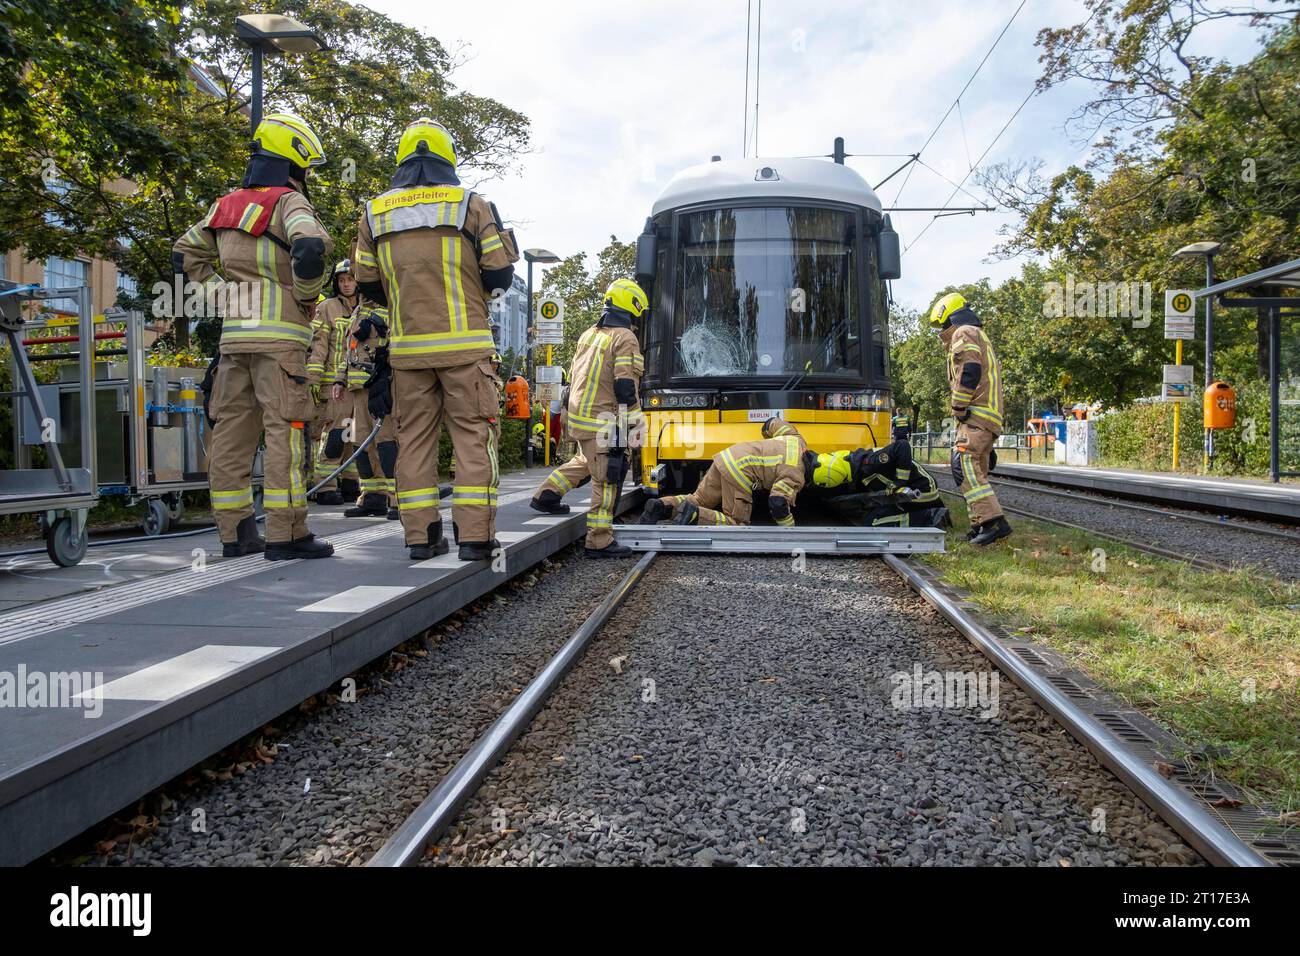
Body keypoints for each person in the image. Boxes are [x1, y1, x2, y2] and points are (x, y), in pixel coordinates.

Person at [352, 118, 518, 560]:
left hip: (408, 353)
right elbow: (500, 274)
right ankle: (475, 539)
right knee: (472, 438)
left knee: (414, 442)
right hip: (466, 349)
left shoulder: (375, 212)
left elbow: (365, 283)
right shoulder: (471, 205)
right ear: (448, 158)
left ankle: (420, 538)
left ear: (402, 160)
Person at [174, 112, 334, 560]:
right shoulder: (288, 202)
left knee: (231, 434)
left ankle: (236, 533)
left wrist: (223, 295)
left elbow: (183, 254)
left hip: (233, 340)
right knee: (284, 431)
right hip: (280, 342)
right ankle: (286, 536)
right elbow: (309, 248)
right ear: (294, 159)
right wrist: (304, 297)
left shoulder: (224, 205)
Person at [533, 279, 647, 557]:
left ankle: (546, 496)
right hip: (603, 421)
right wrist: (635, 424)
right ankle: (599, 540)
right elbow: (625, 388)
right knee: (608, 478)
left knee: (586, 460)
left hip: (580, 418)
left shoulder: (589, 334)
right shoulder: (625, 337)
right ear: (632, 307)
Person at [929, 292, 1011, 545]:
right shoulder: (977, 334)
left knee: (963, 465)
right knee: (976, 469)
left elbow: (970, 370)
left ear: (949, 317)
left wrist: (959, 406)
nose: (941, 330)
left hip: (977, 413)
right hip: (988, 415)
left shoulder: (963, 333)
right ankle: (980, 524)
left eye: (941, 325)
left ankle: (993, 522)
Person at [641, 420, 828, 527]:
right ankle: (695, 515)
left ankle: (661, 506)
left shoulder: (797, 439)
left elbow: (771, 424)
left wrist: (769, 444)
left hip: (726, 456)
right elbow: (777, 502)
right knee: (736, 524)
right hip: (740, 471)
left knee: (699, 498)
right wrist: (791, 531)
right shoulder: (796, 474)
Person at [332, 302, 399, 519]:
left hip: (380, 387)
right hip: (357, 388)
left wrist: (388, 377)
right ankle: (372, 496)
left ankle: (398, 499)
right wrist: (340, 380)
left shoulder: (391, 305)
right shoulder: (357, 311)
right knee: (361, 444)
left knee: (386, 443)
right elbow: (348, 351)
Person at [306, 260, 358, 505]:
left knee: (353, 434)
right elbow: (318, 345)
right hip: (332, 383)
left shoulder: (367, 307)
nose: (346, 284)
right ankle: (325, 486)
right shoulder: (326, 308)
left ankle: (349, 482)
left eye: (350, 279)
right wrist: (313, 378)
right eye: (341, 280)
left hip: (358, 383)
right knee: (335, 434)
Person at [843, 440, 949, 528]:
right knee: (871, 516)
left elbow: (903, 445)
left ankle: (931, 517)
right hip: (908, 493)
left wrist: (900, 481)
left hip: (922, 490)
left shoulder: (871, 462)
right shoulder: (861, 468)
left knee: (873, 523)